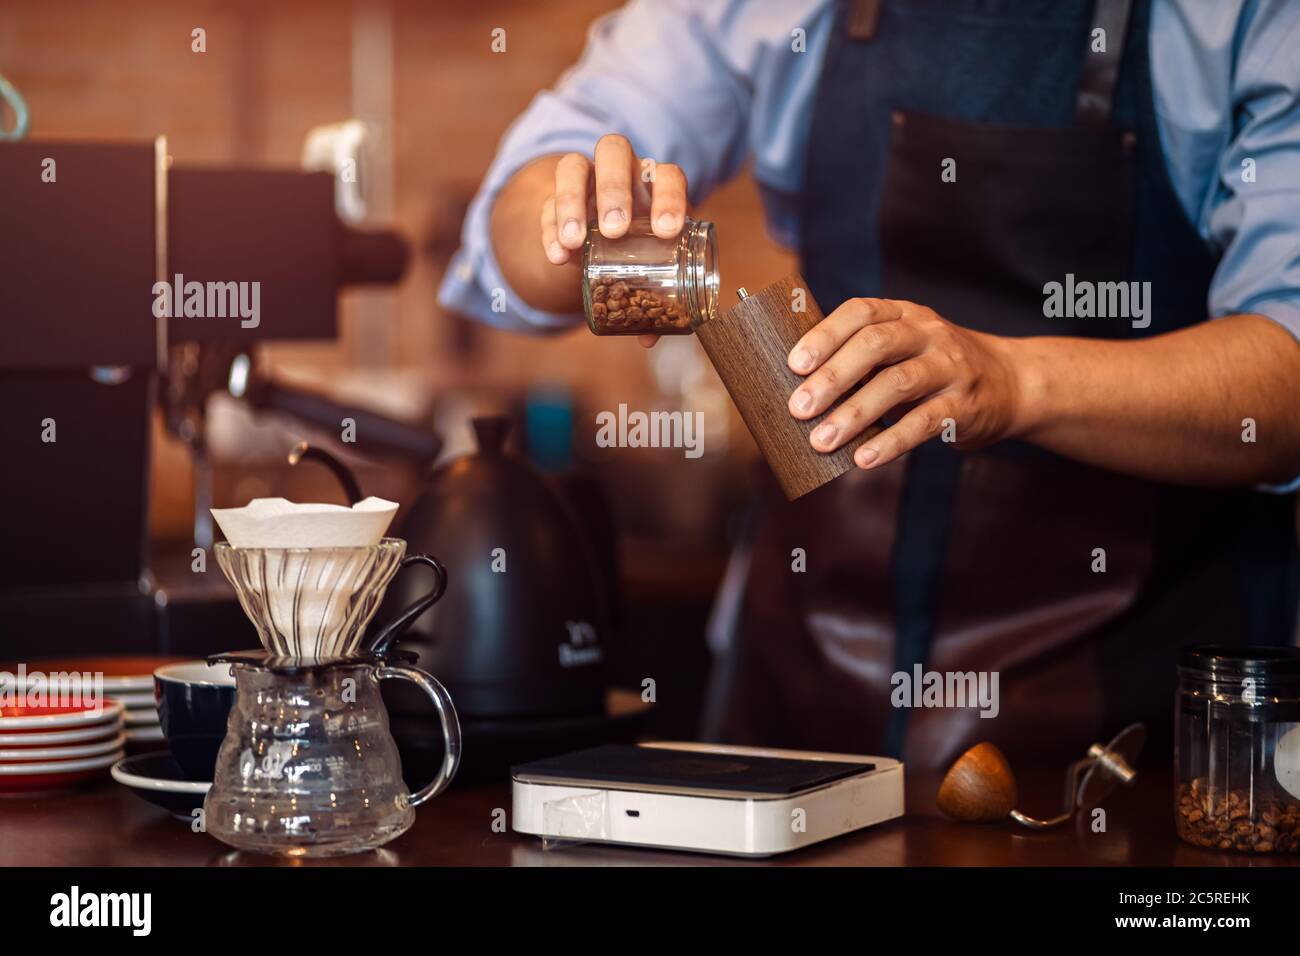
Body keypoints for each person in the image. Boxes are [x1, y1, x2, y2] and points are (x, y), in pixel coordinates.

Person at [441, 0, 1300, 768]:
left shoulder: (1243, 19)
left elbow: (1287, 378)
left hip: (1127, 714)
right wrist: (575, 223)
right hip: (799, 684)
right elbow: (512, 232)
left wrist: (1015, 379)